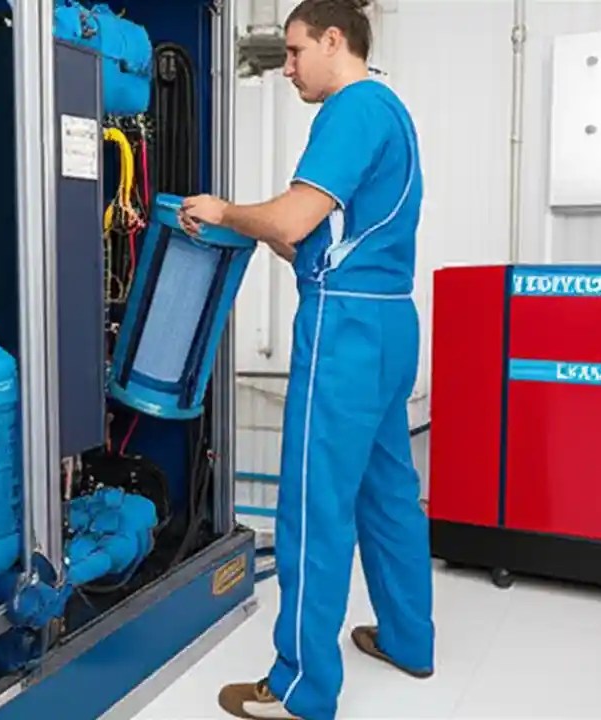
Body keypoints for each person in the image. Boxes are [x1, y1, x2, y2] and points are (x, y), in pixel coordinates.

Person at [178, 1, 433, 718]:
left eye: (292, 52)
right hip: (388, 324)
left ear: (332, 40)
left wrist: (228, 212)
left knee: (314, 504)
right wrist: (253, 228)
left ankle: (299, 688)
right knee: (387, 493)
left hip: (343, 331)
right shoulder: (392, 112)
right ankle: (411, 639)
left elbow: (291, 218)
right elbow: (314, 238)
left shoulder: (350, 110)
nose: (286, 66)